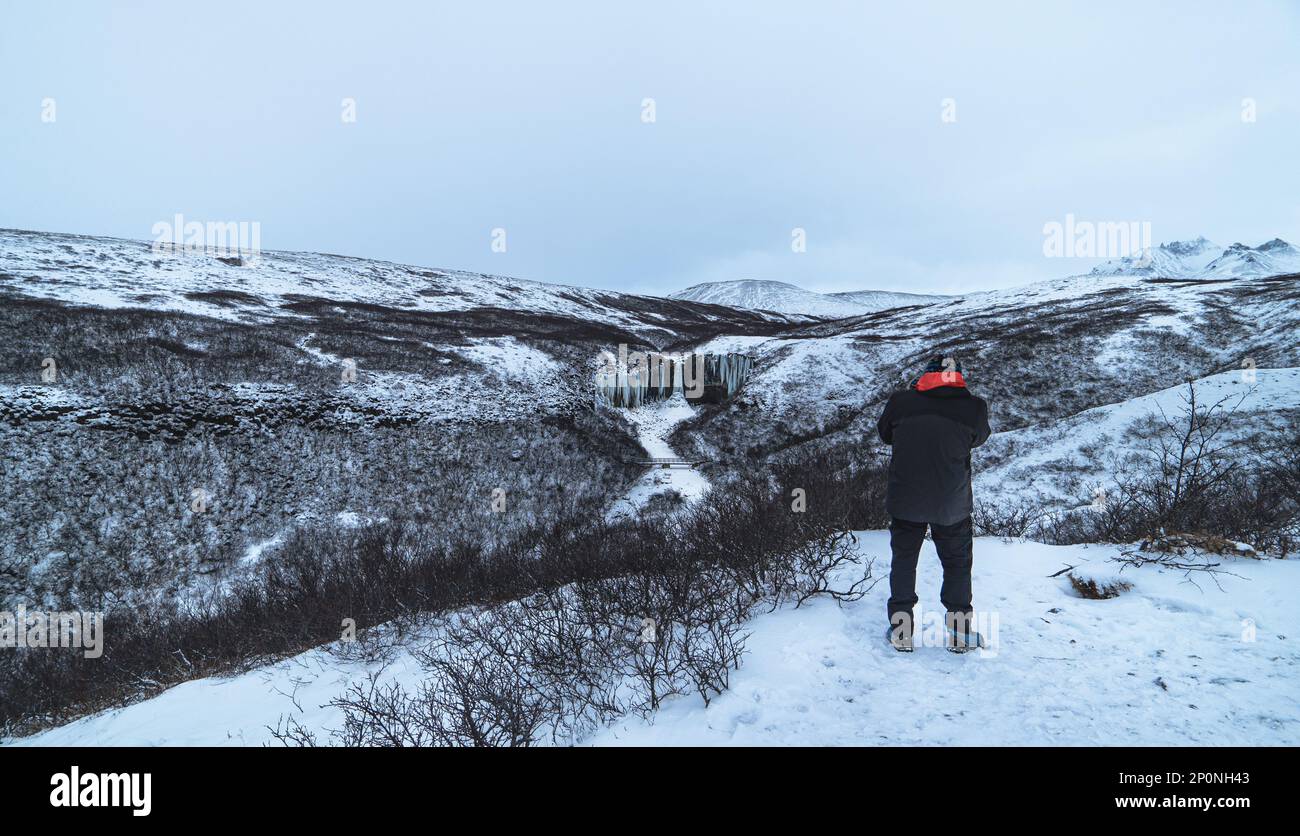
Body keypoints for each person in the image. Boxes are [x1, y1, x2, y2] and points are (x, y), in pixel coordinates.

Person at [876, 355, 991, 652]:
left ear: (926, 376)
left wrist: (914, 398)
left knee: (904, 561)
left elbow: (885, 434)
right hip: (951, 501)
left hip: (906, 497)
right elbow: (979, 438)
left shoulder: (901, 402)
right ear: (959, 377)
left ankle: (901, 631)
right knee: (957, 565)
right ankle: (961, 632)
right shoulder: (974, 407)